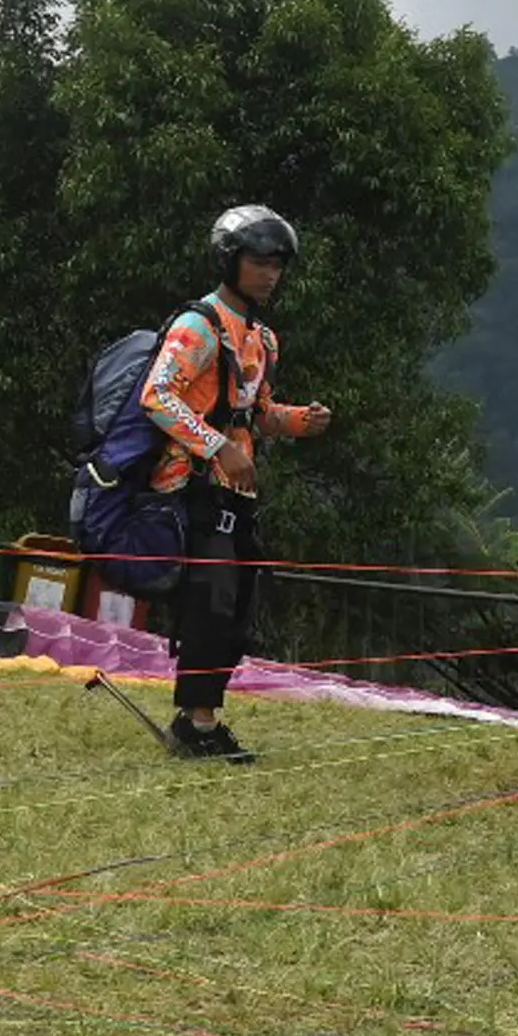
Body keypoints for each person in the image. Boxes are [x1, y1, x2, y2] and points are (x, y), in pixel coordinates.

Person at [138, 204, 333, 762]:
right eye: (258, 261)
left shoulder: (262, 340)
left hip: (238, 492)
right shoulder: (198, 326)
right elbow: (157, 395)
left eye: (278, 264)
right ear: (229, 260)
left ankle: (204, 717)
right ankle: (196, 725)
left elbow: (256, 411)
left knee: (239, 607)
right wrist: (215, 446)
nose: (271, 273)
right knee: (212, 603)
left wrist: (300, 421)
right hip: (194, 486)